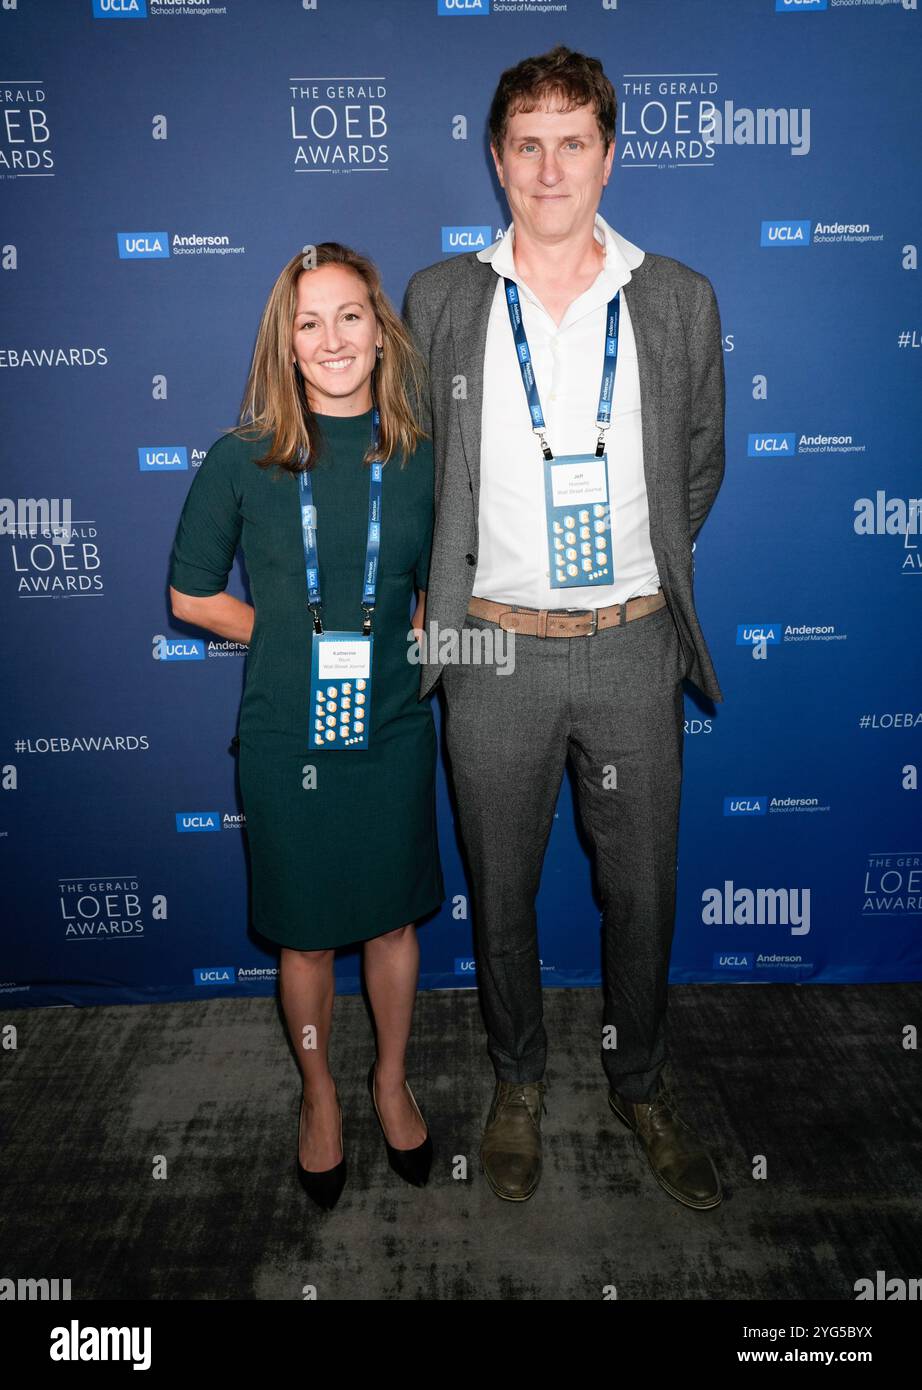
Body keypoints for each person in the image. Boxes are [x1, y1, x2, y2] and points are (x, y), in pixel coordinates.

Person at [403, 46, 725, 1207]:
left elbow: (697, 468)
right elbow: (424, 477)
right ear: (496, 160)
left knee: (641, 887)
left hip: (634, 644)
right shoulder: (438, 299)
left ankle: (639, 1077)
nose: (549, 167)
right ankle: (518, 1081)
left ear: (608, 152)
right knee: (499, 888)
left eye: (572, 140)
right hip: (487, 646)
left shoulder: (679, 298)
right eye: (526, 144)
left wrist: (629, 586)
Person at [168, 243, 443, 1211]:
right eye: (309, 321)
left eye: (349, 316)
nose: (333, 339)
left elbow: (441, 588)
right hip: (289, 733)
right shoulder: (242, 458)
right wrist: (291, 632)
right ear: (286, 344)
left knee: (394, 921)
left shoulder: (418, 455)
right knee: (306, 939)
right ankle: (321, 1092)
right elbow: (190, 595)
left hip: (394, 729)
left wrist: (412, 631)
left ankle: (389, 1078)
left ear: (380, 329)